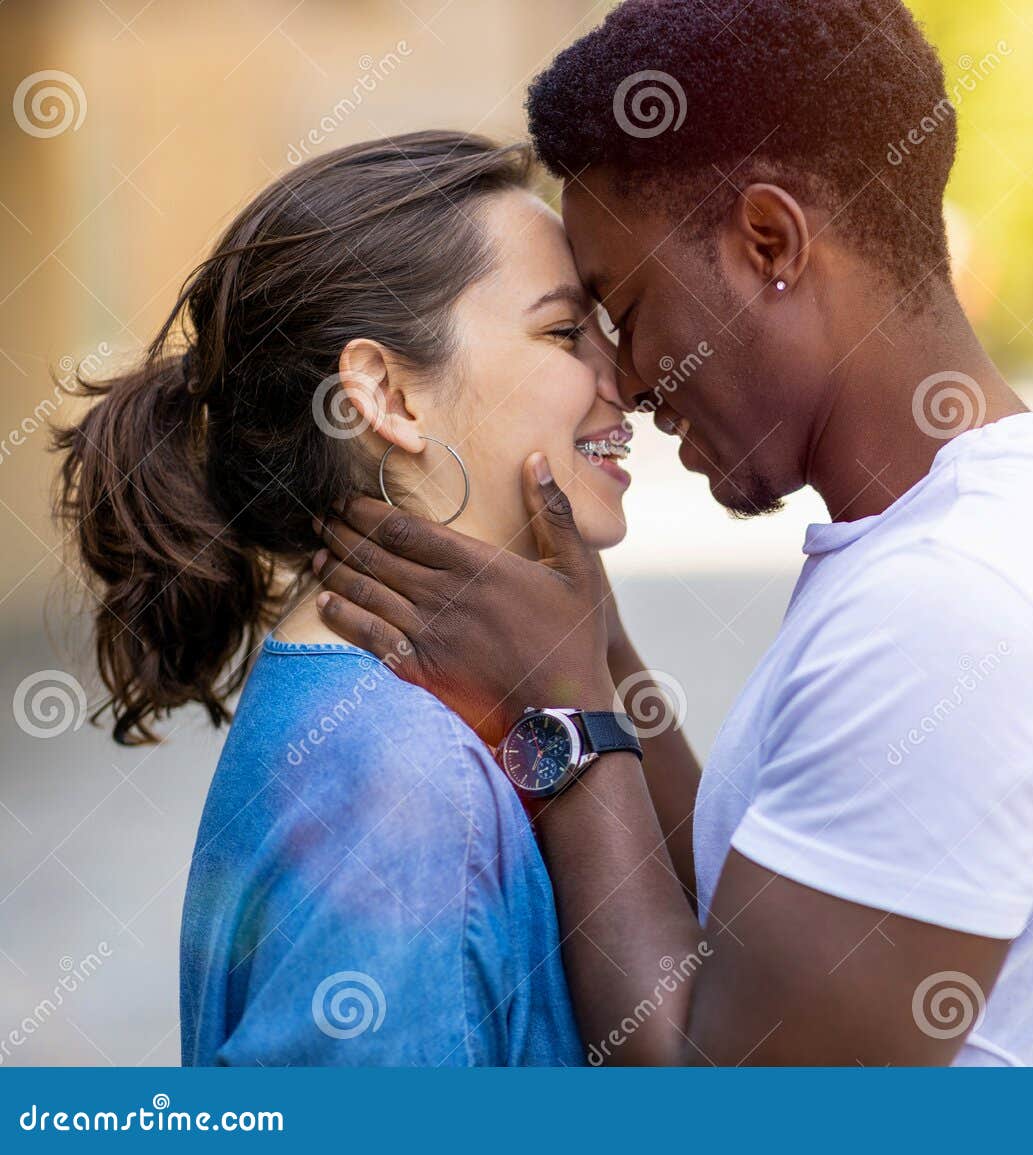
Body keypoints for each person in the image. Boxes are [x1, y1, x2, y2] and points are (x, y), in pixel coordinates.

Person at [313, 0, 1033, 1065]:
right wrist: (602, 648)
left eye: (626, 309)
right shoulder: (977, 518)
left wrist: (568, 714)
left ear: (768, 241)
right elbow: (737, 923)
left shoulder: (952, 610)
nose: (625, 380)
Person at [50, 130, 661, 1065]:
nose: (631, 381)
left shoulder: (396, 718)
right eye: (566, 332)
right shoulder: (406, 791)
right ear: (386, 396)